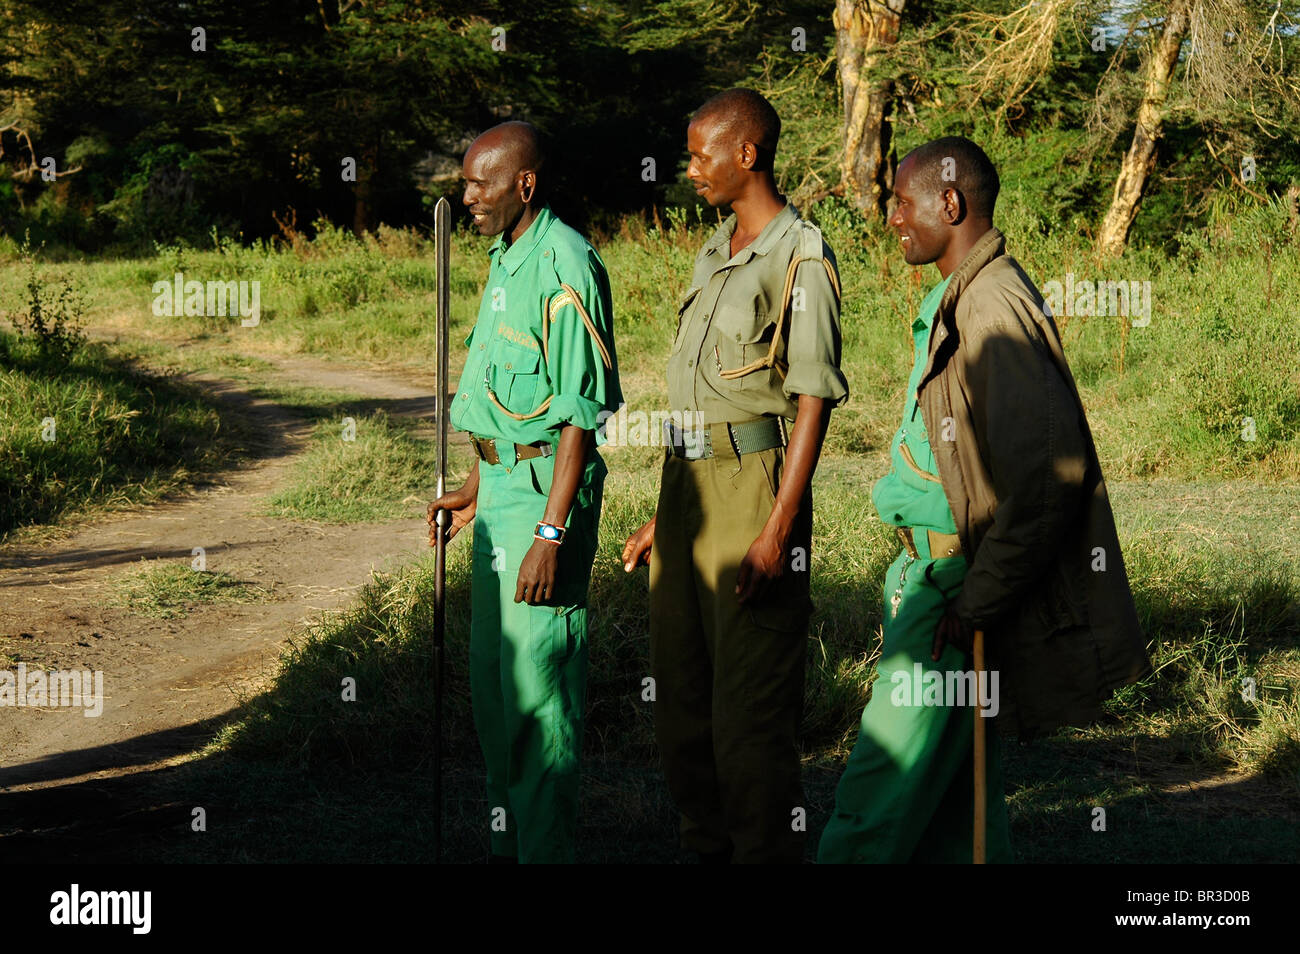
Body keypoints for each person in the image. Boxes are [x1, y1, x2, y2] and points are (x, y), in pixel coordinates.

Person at [817, 136, 1151, 863]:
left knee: (874, 801)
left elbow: (1045, 480)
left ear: (951, 202)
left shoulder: (992, 304)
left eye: (903, 203)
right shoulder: (958, 291)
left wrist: (976, 601)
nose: (893, 219)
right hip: (935, 584)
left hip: (951, 593)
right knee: (956, 817)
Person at [622, 88, 849, 864]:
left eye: (699, 154)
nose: (689, 169)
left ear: (746, 154)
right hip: (688, 487)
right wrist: (668, 515)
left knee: (749, 728)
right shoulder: (712, 250)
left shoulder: (800, 253)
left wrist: (778, 529)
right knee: (684, 717)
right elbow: (693, 401)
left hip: (755, 488)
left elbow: (814, 396)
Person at [427, 121, 622, 864]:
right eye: (466, 182)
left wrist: (550, 533)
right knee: (495, 694)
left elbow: (579, 415)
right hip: (502, 492)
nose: (467, 196)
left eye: (481, 183)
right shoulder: (506, 255)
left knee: (539, 702)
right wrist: (477, 483)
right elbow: (514, 393)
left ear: (525, 185)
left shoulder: (566, 264)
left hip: (544, 501)